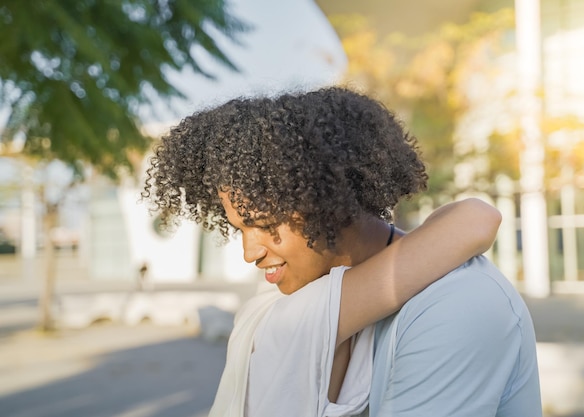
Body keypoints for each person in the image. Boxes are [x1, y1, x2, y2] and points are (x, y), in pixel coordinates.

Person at [143, 87, 542, 416]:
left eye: (265, 225)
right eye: (240, 229)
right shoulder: (287, 306)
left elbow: (478, 219)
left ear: (329, 203)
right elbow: (476, 218)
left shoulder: (456, 305)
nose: (250, 253)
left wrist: (474, 215)